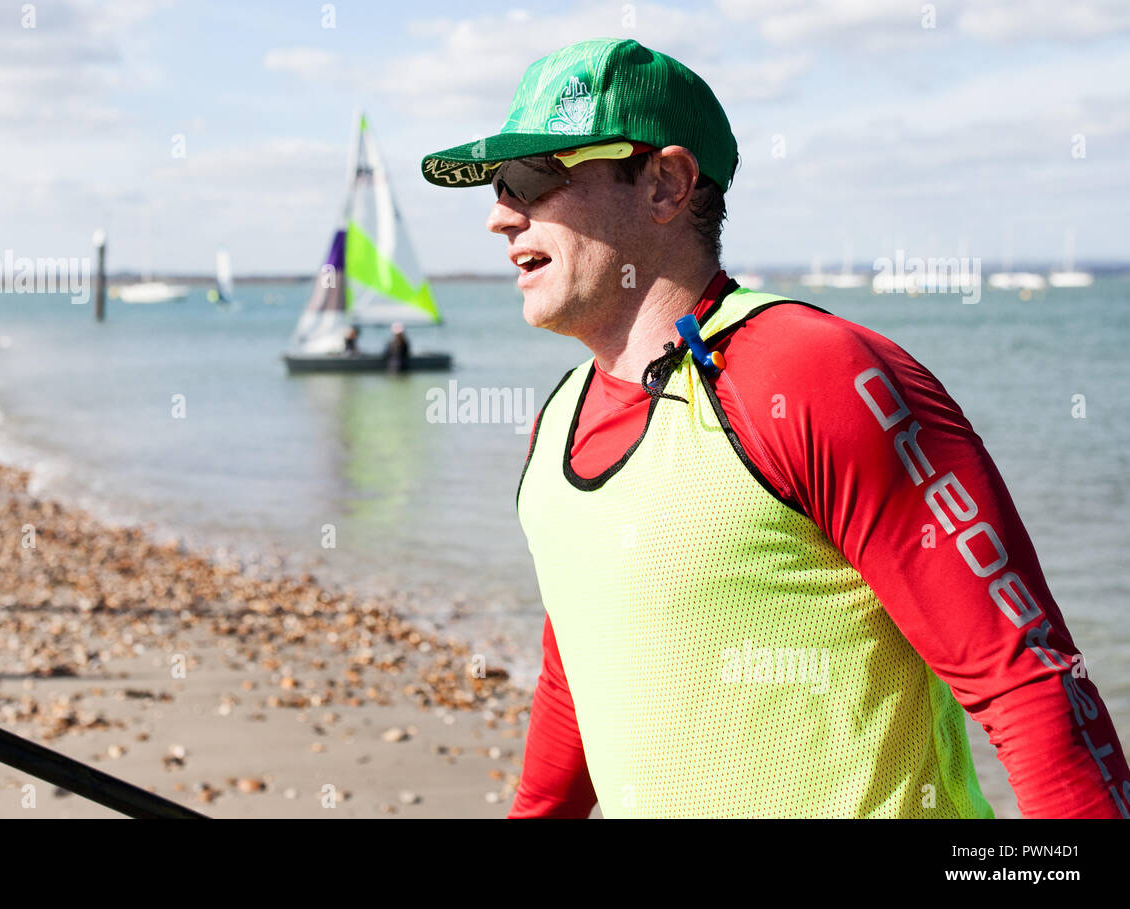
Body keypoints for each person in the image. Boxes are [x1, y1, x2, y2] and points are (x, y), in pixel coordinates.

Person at [420, 37, 1129, 818]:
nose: (498, 215)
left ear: (665, 183)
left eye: (533, 175)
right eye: (496, 183)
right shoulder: (557, 420)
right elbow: (578, 667)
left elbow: (1027, 681)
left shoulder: (817, 373)